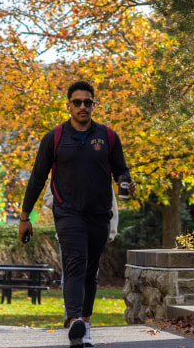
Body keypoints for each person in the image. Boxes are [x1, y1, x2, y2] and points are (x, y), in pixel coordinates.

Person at [18, 80, 135, 348]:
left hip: (99, 214)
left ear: (94, 104)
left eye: (88, 102)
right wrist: (25, 218)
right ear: (68, 105)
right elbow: (37, 179)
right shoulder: (55, 138)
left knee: (91, 272)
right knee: (75, 263)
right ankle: (74, 323)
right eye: (77, 102)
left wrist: (127, 182)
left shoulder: (108, 137)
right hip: (68, 212)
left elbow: (121, 171)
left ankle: (84, 323)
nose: (83, 107)